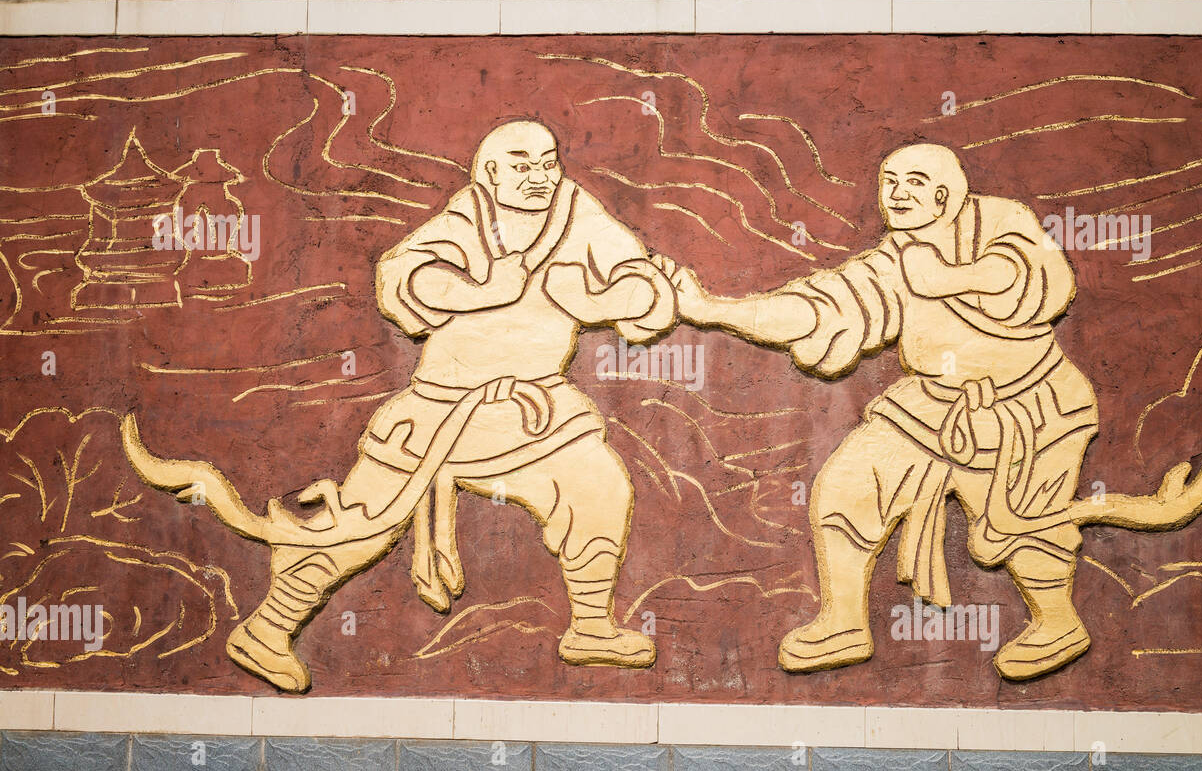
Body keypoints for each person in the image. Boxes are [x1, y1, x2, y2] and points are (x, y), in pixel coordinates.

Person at [133, 120, 678, 692]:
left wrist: (601, 297)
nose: (539, 177)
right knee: (361, 527)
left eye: (548, 163)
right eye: (522, 165)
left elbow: (644, 286)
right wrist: (486, 289)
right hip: (441, 410)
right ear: (490, 173)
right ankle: (267, 630)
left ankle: (590, 626)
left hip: (538, 409)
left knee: (599, 486)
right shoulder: (470, 217)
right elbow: (406, 278)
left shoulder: (577, 215)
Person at [655, 143, 1099, 680]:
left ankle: (1057, 621)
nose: (899, 193)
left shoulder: (999, 220)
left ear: (944, 194)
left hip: (1033, 407)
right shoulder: (894, 260)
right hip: (933, 404)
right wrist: (710, 310)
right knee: (846, 484)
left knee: (1020, 527)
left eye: (915, 182)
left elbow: (1039, 281)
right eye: (890, 181)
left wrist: (945, 278)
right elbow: (816, 309)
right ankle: (843, 622)